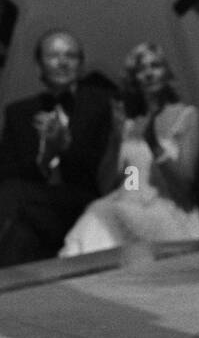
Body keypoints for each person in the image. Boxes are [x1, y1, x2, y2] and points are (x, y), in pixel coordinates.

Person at [59, 42, 199, 255]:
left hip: (168, 210)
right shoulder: (130, 124)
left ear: (167, 72)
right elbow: (126, 180)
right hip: (128, 206)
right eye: (141, 69)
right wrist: (115, 138)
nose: (148, 74)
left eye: (155, 66)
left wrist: (154, 144)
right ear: (134, 79)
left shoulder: (187, 116)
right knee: (99, 214)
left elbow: (183, 184)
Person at [0, 29, 114, 266]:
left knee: (11, 195)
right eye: (53, 56)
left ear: (81, 65)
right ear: (40, 66)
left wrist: (64, 145)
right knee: (20, 236)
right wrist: (44, 157)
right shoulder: (19, 112)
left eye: (70, 56)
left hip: (81, 203)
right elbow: (8, 170)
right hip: (33, 208)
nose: (62, 62)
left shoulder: (102, 105)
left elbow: (117, 167)